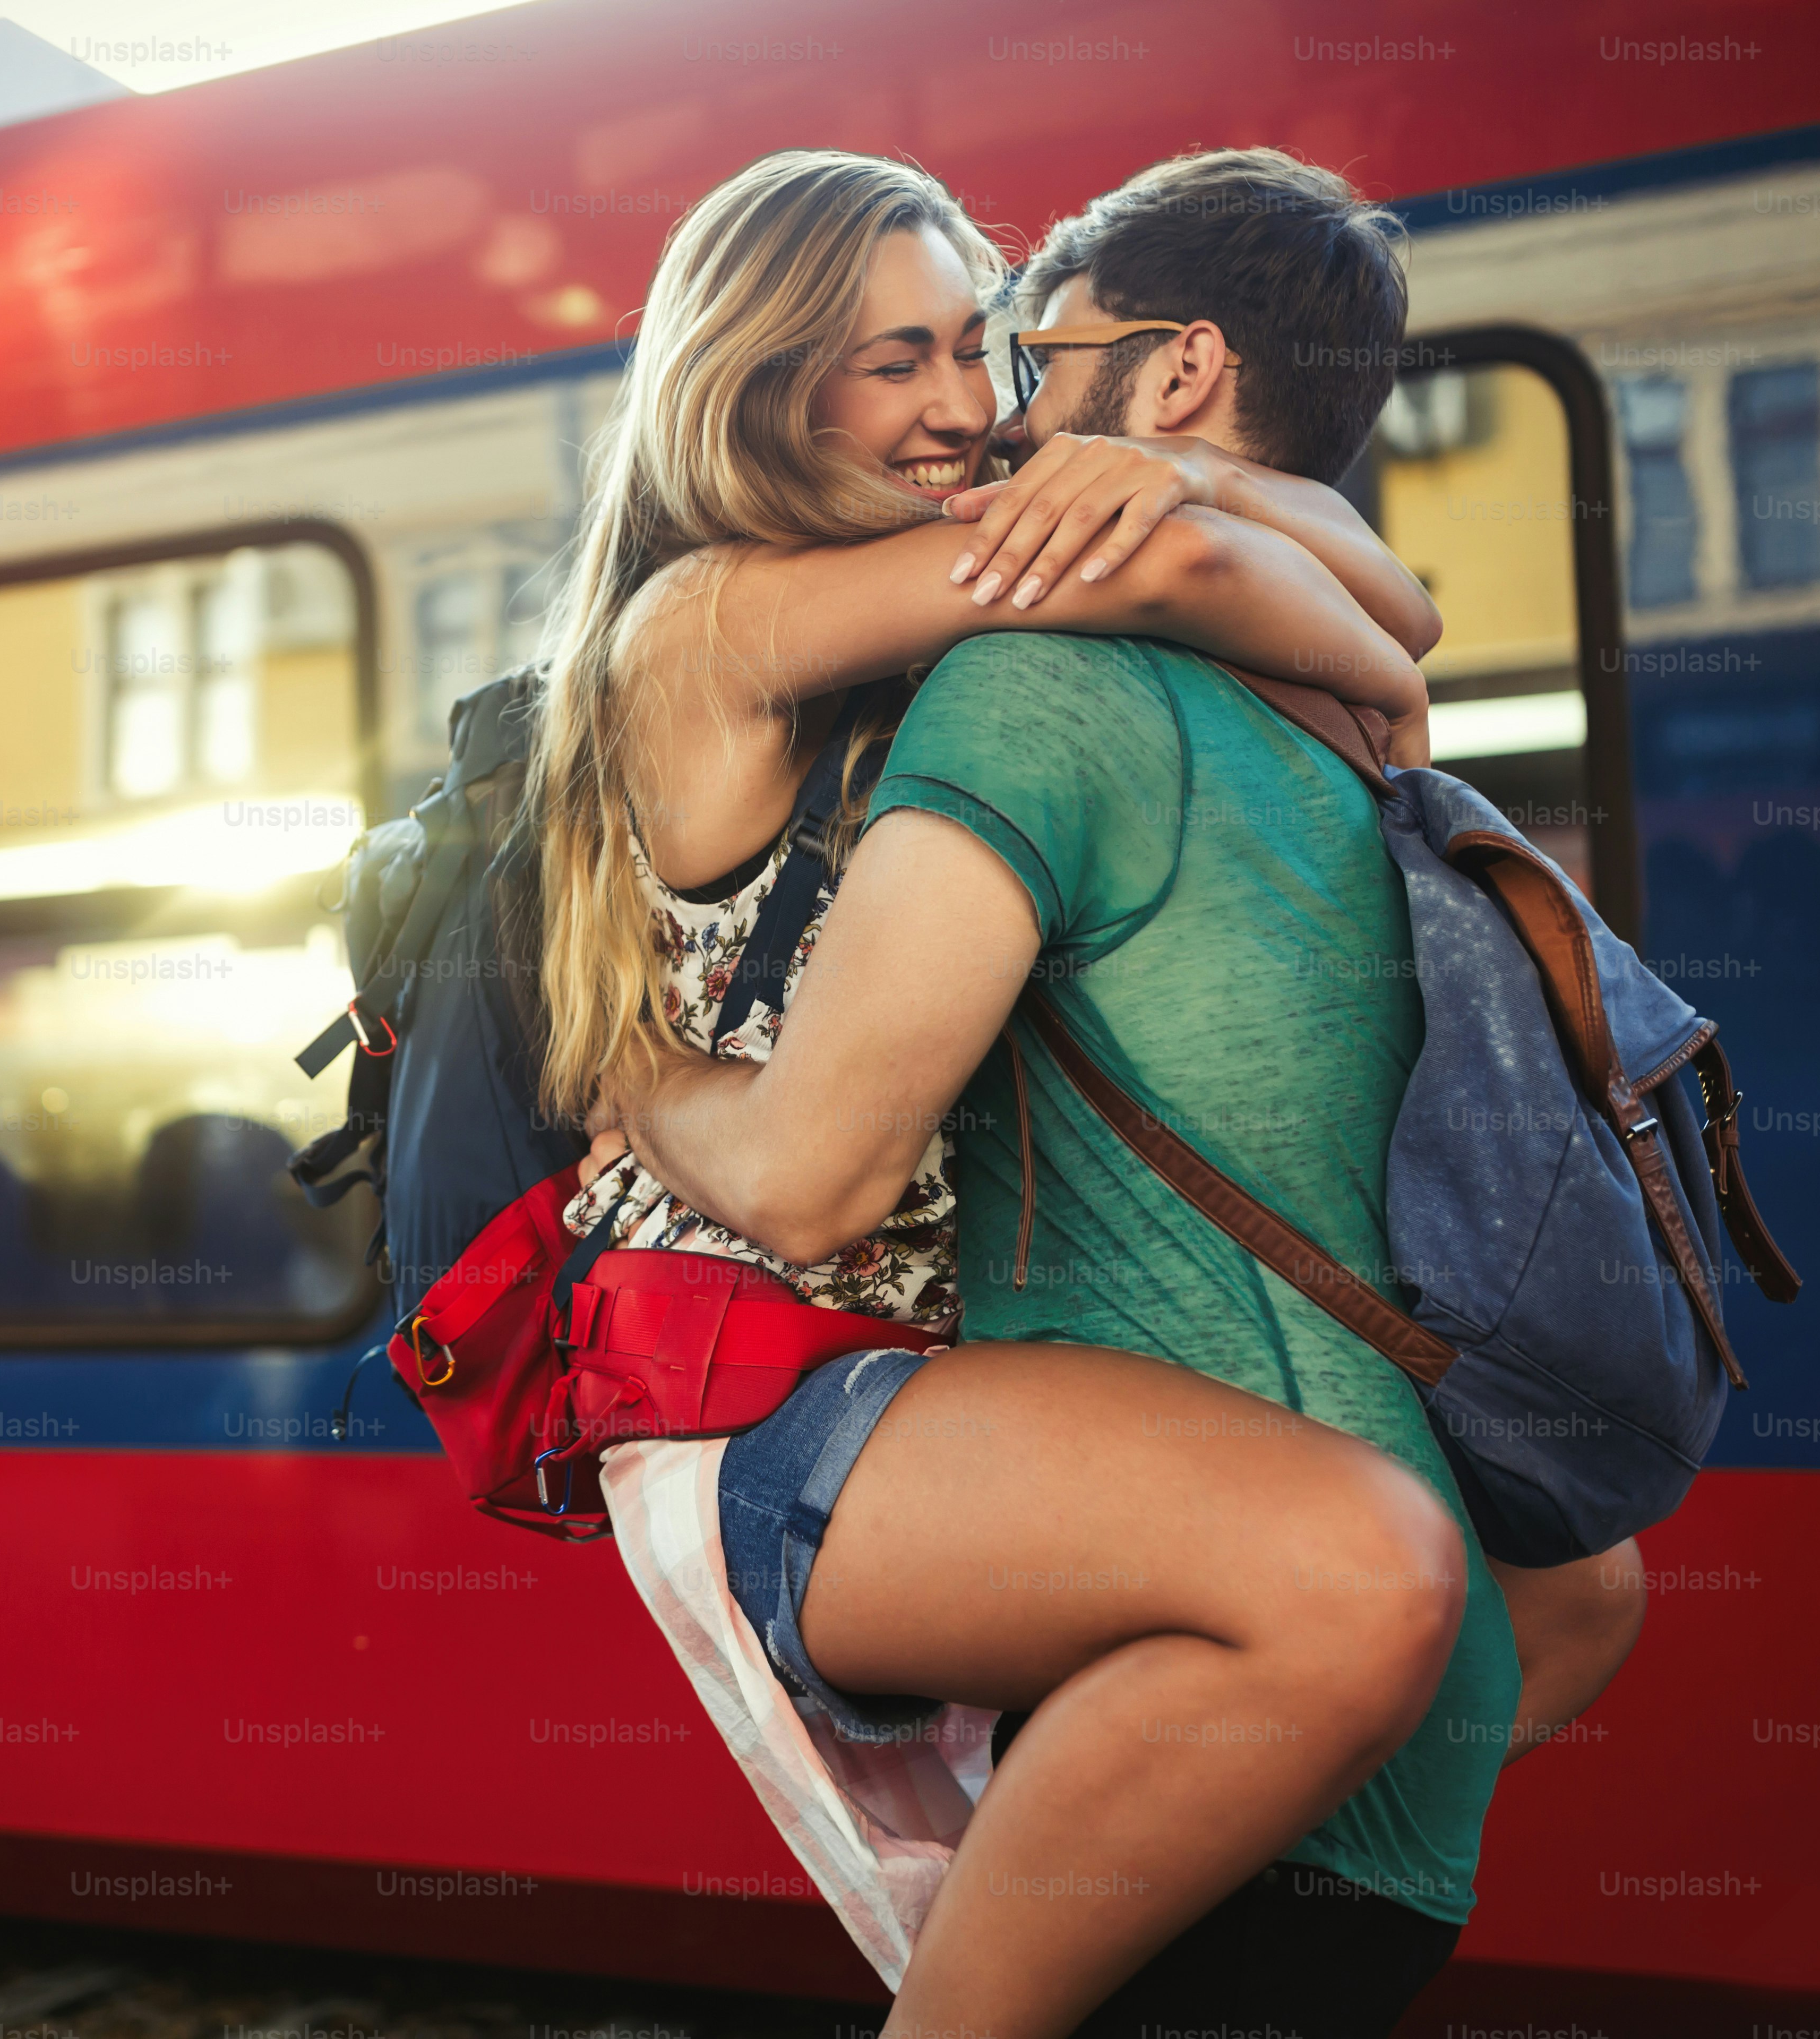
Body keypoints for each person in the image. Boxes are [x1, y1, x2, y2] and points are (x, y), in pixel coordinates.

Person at [577, 149, 1644, 2037]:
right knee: (1350, 1579)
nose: (966, 406)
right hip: (757, 1358)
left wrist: (1214, 494)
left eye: (973, 348)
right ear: (756, 382)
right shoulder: (711, 621)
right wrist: (649, 1092)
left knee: (1563, 1592)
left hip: (922, 1369)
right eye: (888, 361)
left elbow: (1337, 571)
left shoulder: (907, 618)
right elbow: (1254, 581)